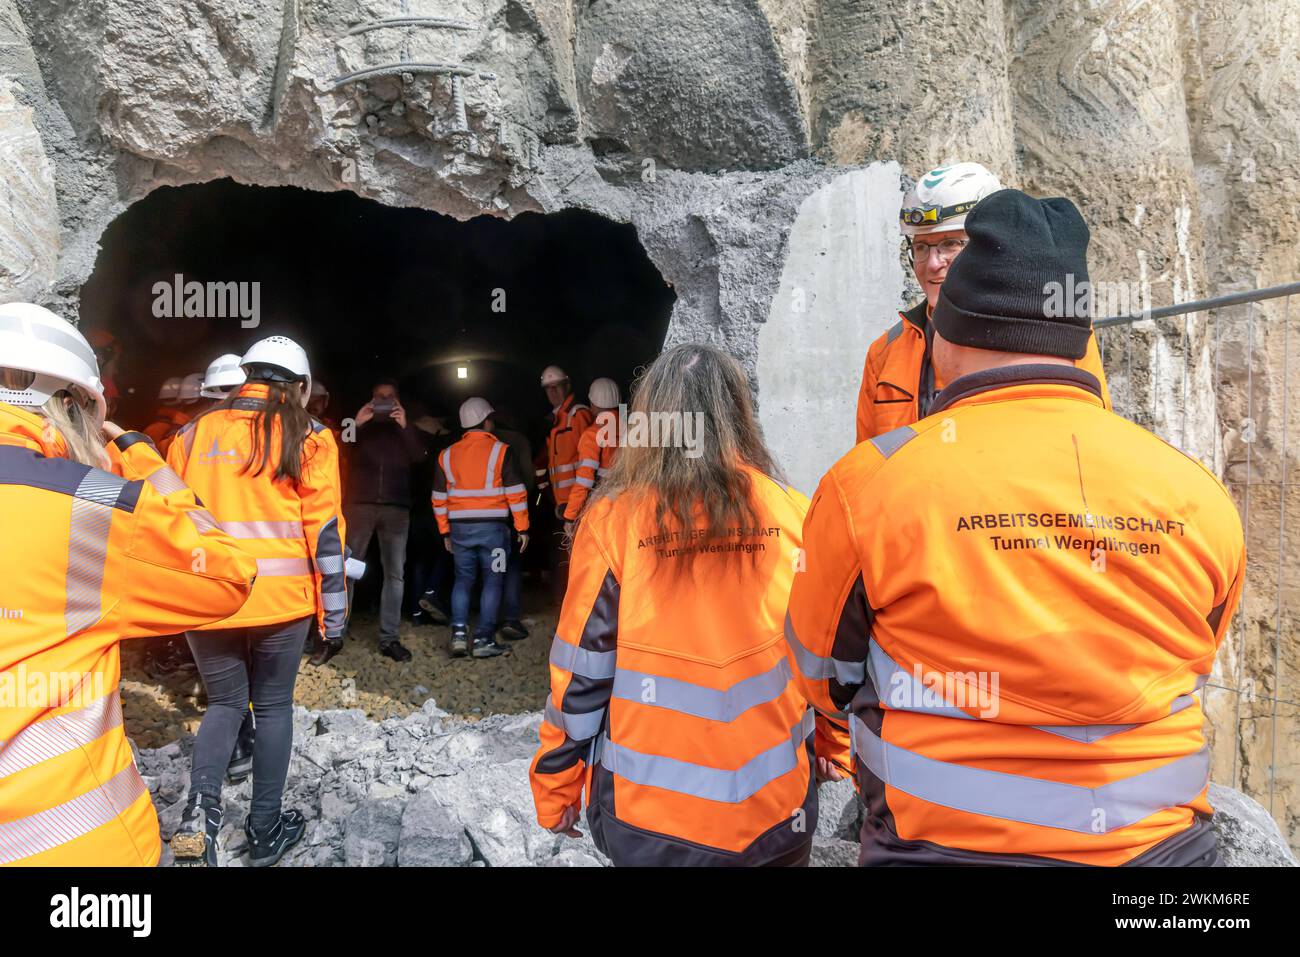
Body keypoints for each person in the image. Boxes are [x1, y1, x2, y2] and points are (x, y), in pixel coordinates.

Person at [787, 189, 1246, 866]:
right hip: (1165, 858)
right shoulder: (1198, 494)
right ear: (1079, 344)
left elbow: (821, 672)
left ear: (945, 339)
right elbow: (1195, 653)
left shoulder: (868, 485)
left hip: (944, 847)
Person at [529, 344, 824, 866]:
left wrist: (556, 790)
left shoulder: (613, 524)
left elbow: (580, 677)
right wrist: (836, 751)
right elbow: (826, 655)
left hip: (651, 823)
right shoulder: (794, 512)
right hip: (778, 814)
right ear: (738, 413)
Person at [0, 302, 257, 865]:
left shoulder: (190, 433)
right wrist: (141, 459)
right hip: (72, 849)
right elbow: (227, 572)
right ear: (70, 405)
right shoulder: (87, 504)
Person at [167, 335, 348, 867]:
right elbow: (325, 535)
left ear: (246, 375)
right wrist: (334, 616)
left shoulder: (191, 434)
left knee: (224, 704)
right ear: (300, 386)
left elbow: (169, 519)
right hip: (281, 600)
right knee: (271, 708)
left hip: (208, 596)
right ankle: (265, 830)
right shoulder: (310, 436)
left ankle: (197, 824)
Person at [855, 162, 1111, 443]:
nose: (932, 263)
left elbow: (1090, 438)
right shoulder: (886, 353)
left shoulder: (1055, 338)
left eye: (950, 244)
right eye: (921, 247)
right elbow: (870, 460)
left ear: (989, 249)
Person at [432, 397, 530, 658]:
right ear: (487, 421)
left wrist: (444, 531)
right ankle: (484, 638)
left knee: (463, 579)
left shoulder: (446, 455)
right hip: (494, 531)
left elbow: (438, 498)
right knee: (493, 580)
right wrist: (522, 528)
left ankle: (459, 635)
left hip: (460, 530)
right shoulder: (502, 451)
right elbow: (516, 493)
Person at [338, 378, 427, 663]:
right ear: (370, 399)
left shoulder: (405, 428)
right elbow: (337, 449)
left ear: (398, 400)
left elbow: (420, 457)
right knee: (348, 569)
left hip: (396, 508)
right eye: (380, 397)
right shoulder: (358, 426)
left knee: (395, 574)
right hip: (360, 505)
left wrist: (405, 425)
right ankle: (336, 633)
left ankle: (390, 639)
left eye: (390, 397)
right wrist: (357, 422)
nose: (385, 401)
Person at [539, 365, 593, 604]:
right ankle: (567, 605)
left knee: (578, 557)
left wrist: (577, 502)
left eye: (556, 387)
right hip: (563, 503)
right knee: (565, 557)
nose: (553, 392)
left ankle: (578, 605)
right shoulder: (557, 420)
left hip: (578, 502)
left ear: (567, 385)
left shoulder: (577, 415)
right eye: (548, 389)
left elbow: (587, 462)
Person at [486, 405, 534, 641]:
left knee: (488, 569)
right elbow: (528, 478)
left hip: (482, 515)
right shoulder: (518, 441)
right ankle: (510, 618)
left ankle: (486, 618)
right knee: (512, 564)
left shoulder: (481, 442)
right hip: (509, 513)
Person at [562, 377, 622, 537]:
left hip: (602, 506)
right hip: (632, 503)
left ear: (592, 403)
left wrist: (570, 516)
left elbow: (584, 480)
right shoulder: (633, 430)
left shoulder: (592, 435)